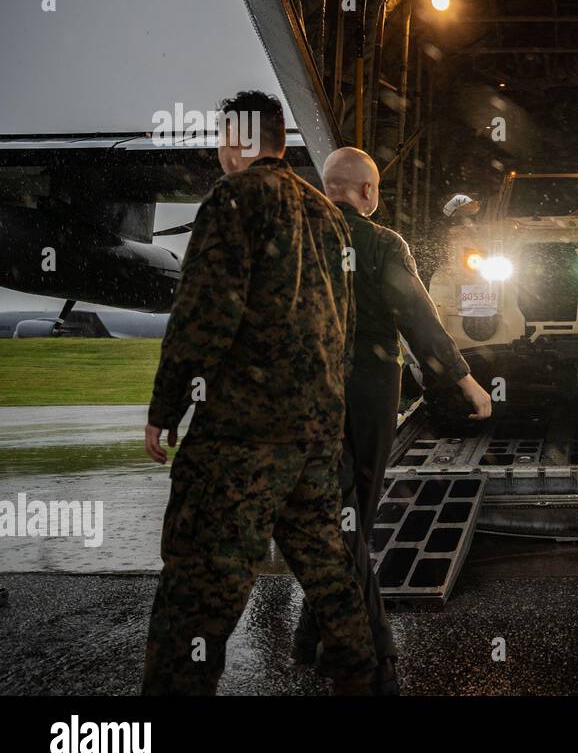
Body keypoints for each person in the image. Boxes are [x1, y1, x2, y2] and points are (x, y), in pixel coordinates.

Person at [142, 91, 379, 695]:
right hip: (314, 430)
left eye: (224, 139)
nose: (220, 150)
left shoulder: (235, 198)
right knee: (327, 564)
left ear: (240, 141)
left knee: (201, 580)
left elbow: (203, 311)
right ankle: (363, 678)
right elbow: (341, 323)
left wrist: (168, 407)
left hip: (243, 432)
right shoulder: (325, 213)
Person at [291, 146, 492, 690]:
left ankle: (311, 635)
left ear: (325, 187)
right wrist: (464, 379)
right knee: (355, 512)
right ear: (369, 193)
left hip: (304, 393)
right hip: (366, 391)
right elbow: (417, 318)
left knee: (330, 511)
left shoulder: (293, 239)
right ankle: (374, 649)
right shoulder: (380, 243)